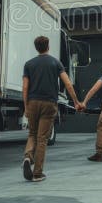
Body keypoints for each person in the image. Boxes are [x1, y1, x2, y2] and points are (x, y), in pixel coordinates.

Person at [22, 35, 81, 182]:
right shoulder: (55, 63)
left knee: (32, 134)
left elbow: (25, 87)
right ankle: (37, 173)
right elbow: (67, 83)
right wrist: (76, 101)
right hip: (49, 103)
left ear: (36, 48)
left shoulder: (28, 64)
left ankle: (28, 158)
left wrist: (26, 106)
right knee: (42, 138)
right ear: (48, 47)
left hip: (33, 102)